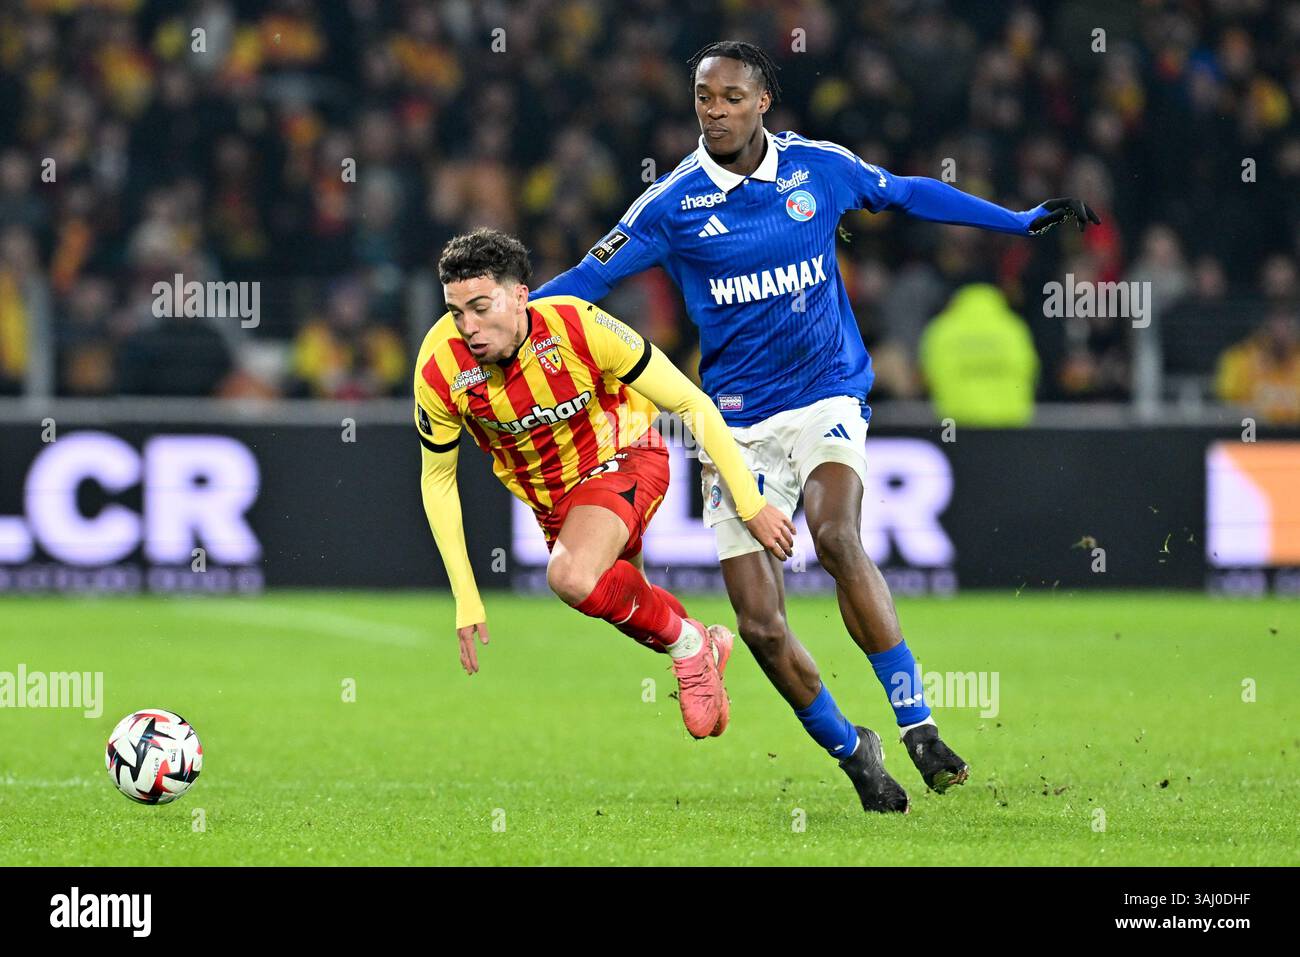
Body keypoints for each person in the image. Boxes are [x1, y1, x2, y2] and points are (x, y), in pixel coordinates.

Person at [533, 40, 1100, 812]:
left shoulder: (818, 168)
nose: (715, 111)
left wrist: (1018, 220)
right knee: (761, 626)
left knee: (837, 536)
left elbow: (903, 193)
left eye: (731, 97)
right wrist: (506, 318)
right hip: (733, 424)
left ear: (763, 100)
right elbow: (585, 284)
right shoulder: (672, 204)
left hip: (827, 393)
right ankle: (852, 749)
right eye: (703, 97)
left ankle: (918, 724)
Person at [418, 227, 796, 741]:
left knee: (571, 577)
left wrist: (750, 503)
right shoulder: (440, 366)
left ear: (520, 296)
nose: (469, 326)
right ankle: (702, 643)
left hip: (628, 455)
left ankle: (689, 647)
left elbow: (691, 403)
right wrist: (466, 595)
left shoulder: (578, 326)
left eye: (482, 307)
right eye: (457, 312)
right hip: (555, 503)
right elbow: (438, 481)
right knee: (630, 605)